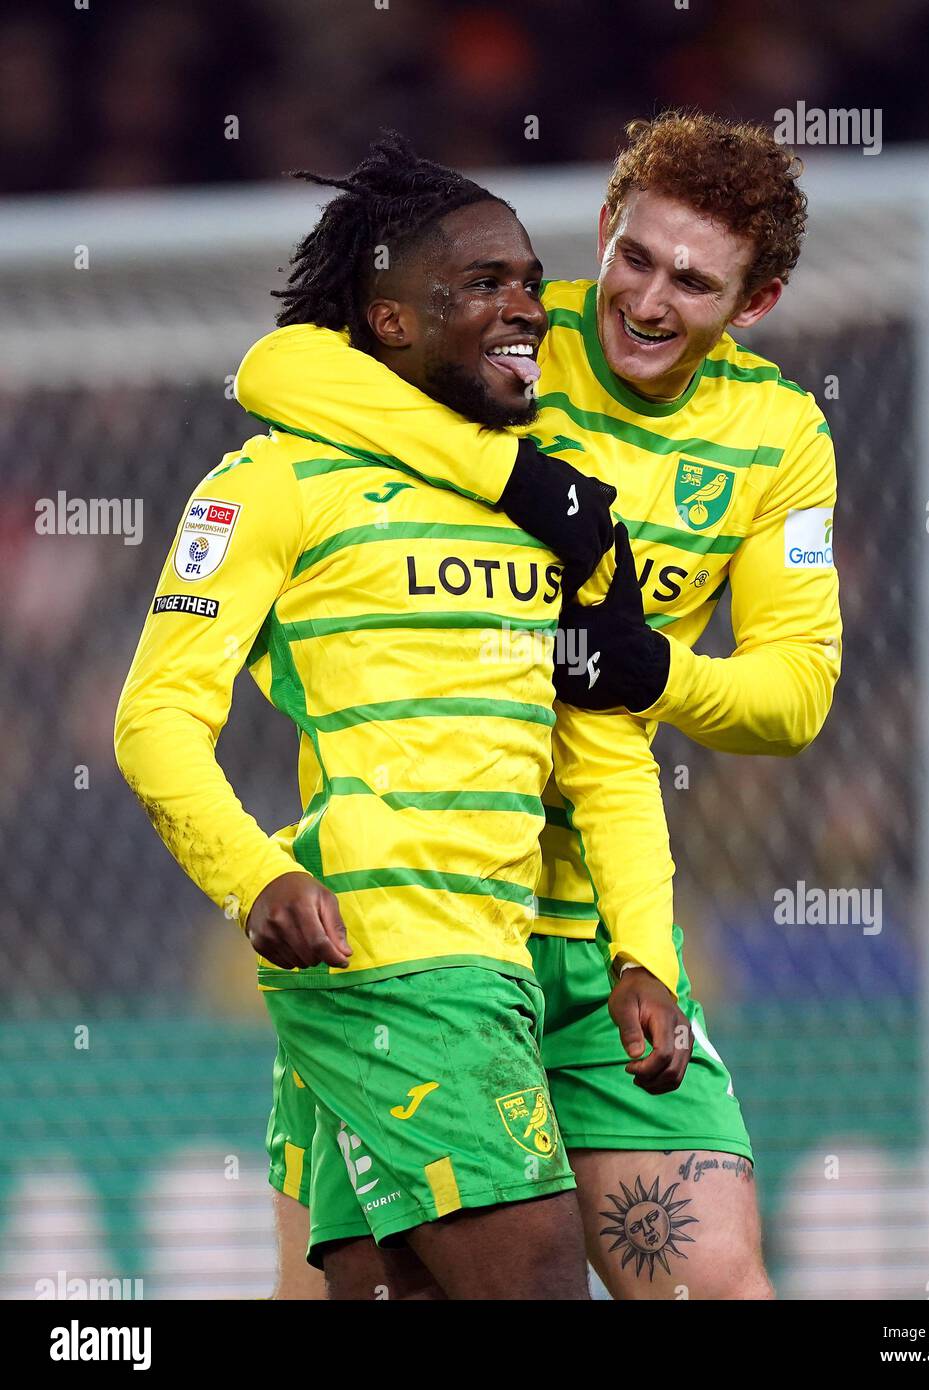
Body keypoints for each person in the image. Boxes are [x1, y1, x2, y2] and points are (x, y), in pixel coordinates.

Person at [236, 111, 843, 1301]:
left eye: (695, 282)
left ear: (756, 305)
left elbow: (795, 692)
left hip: (601, 924)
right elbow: (276, 365)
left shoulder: (779, 435)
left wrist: (647, 670)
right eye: (636, 258)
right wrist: (518, 474)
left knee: (719, 1283)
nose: (650, 301)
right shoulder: (504, 333)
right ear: (605, 231)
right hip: (417, 914)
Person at [114, 136, 689, 1301]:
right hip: (393, 955)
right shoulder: (273, 482)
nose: (528, 306)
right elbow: (156, 718)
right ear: (387, 323)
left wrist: (645, 950)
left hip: (498, 957)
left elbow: (608, 757)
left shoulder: (561, 511)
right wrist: (252, 875)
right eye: (484, 284)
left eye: (530, 278)